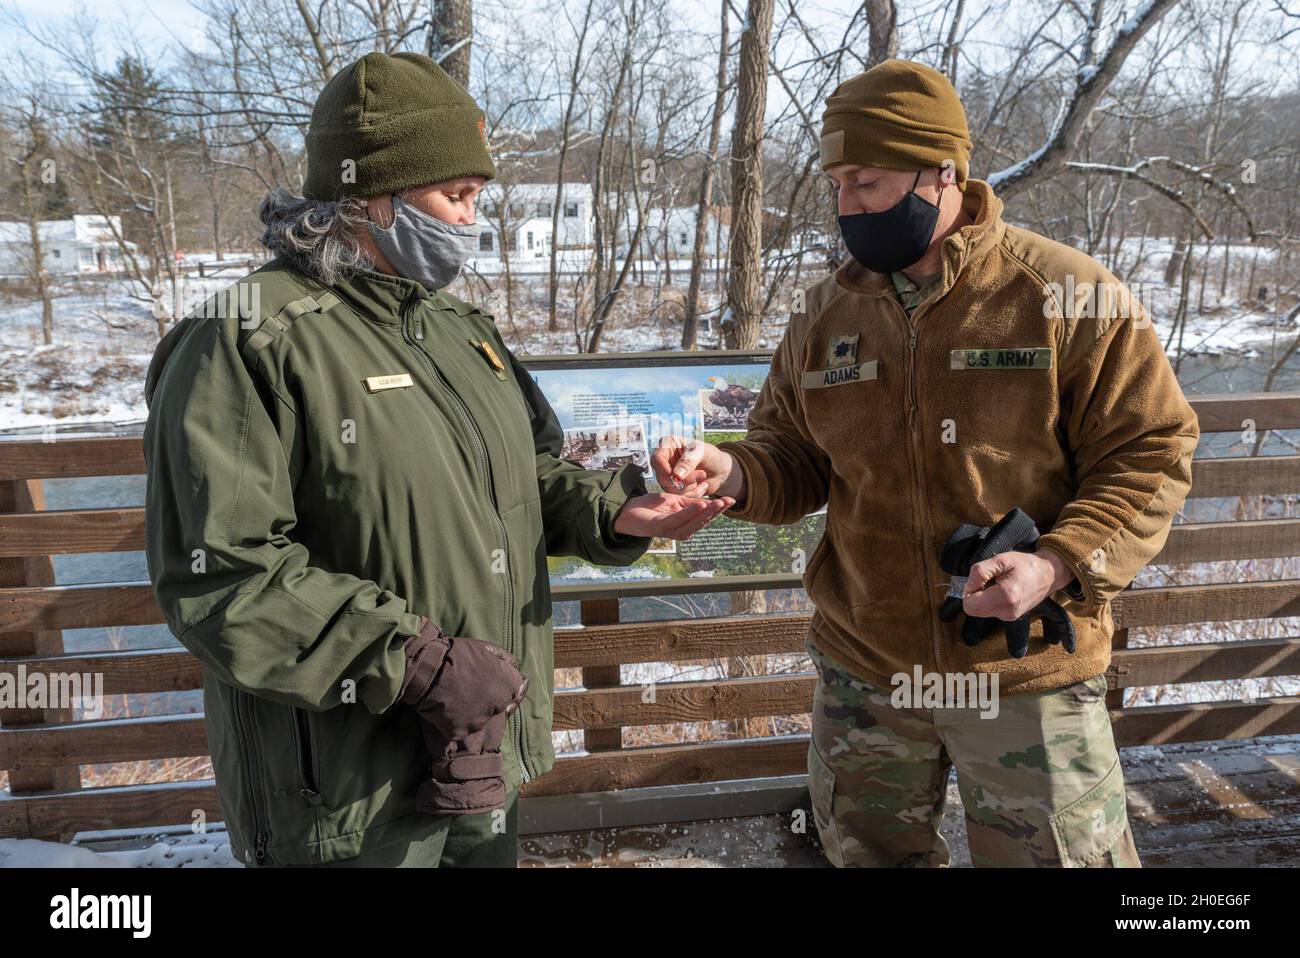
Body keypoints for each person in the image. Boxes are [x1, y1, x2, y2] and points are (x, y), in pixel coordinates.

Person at [143, 52, 732, 868]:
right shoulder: (248, 338)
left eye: (477, 198)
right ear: (368, 197)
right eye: (456, 196)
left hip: (480, 760)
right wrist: (415, 662)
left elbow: (528, 475)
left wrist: (615, 510)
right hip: (349, 799)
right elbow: (222, 576)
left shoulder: (459, 332)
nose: (471, 221)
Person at [652, 59, 1199, 867]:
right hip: (867, 674)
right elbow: (791, 458)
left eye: (868, 183)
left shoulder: (1067, 294)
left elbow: (1151, 452)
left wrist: (1053, 564)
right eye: (837, 184)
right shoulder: (824, 314)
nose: (847, 206)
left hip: (1024, 674)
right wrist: (727, 472)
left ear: (943, 172)